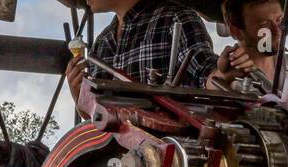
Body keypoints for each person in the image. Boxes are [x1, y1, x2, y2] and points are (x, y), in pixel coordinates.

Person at [66, 0, 219, 112]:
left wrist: (222, 75)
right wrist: (79, 95)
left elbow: (205, 71)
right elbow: (97, 115)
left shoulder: (174, 17)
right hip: (117, 153)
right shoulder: (102, 43)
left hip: (169, 149)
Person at [206, 0, 288, 95]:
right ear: (236, 31)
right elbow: (211, 87)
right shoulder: (233, 76)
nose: (278, 32)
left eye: (279, 20)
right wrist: (223, 76)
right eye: (264, 24)